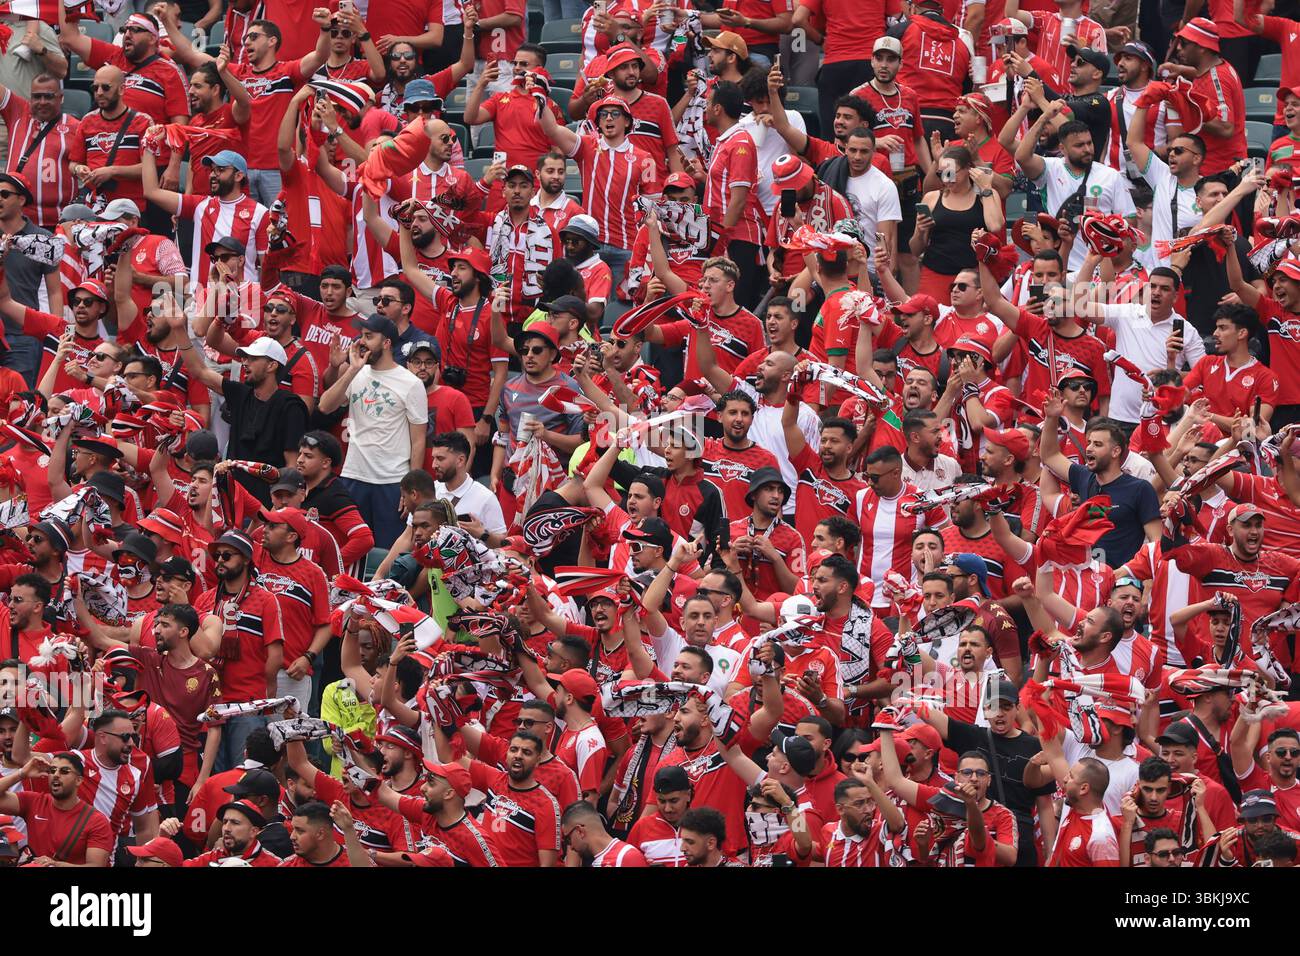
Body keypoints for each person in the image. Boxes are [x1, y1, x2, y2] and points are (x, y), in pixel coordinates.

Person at [319, 317, 428, 549]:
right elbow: (325, 406)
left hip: (392, 480)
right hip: (353, 475)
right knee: (350, 549)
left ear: (387, 342)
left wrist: (411, 488)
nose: (362, 341)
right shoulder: (355, 373)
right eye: (361, 336)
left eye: (369, 336)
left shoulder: (411, 383)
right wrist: (351, 370)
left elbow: (418, 441)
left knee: (386, 550)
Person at [0, 754, 114, 867]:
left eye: (64, 771)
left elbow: (96, 865)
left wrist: (56, 864)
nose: (56, 775)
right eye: (52, 770)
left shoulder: (96, 821)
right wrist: (22, 774)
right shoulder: (34, 801)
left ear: (78, 780)